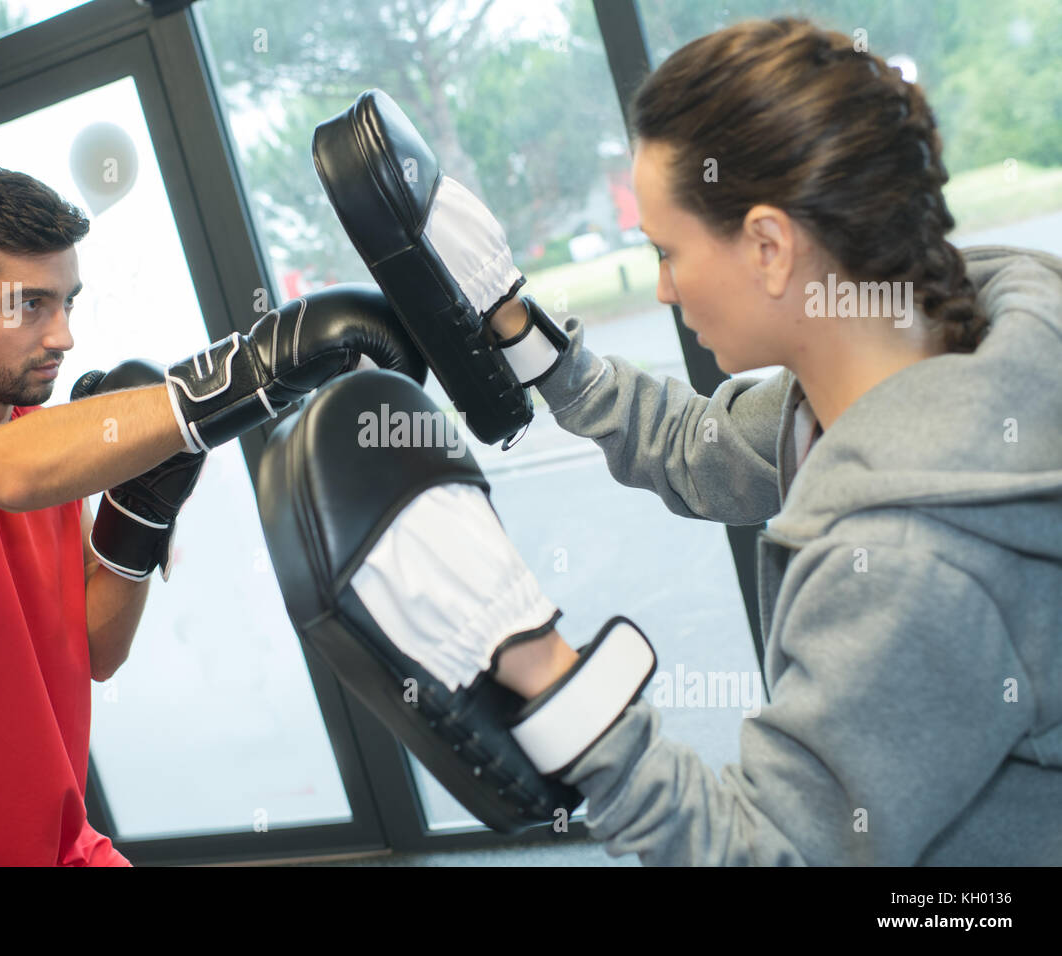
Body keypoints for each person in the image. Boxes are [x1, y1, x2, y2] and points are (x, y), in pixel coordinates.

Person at [296, 17, 1062, 864]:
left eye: (668, 251)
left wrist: (538, 660)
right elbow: (706, 446)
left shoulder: (913, 557)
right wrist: (518, 325)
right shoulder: (947, 344)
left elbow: (761, 852)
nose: (661, 286)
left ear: (770, 247)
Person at [0, 164, 421, 866]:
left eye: (68, 304)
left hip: (53, 843)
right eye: (29, 306)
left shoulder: (47, 447)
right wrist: (255, 370)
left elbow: (97, 651)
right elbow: (6, 469)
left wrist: (138, 512)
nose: (63, 337)